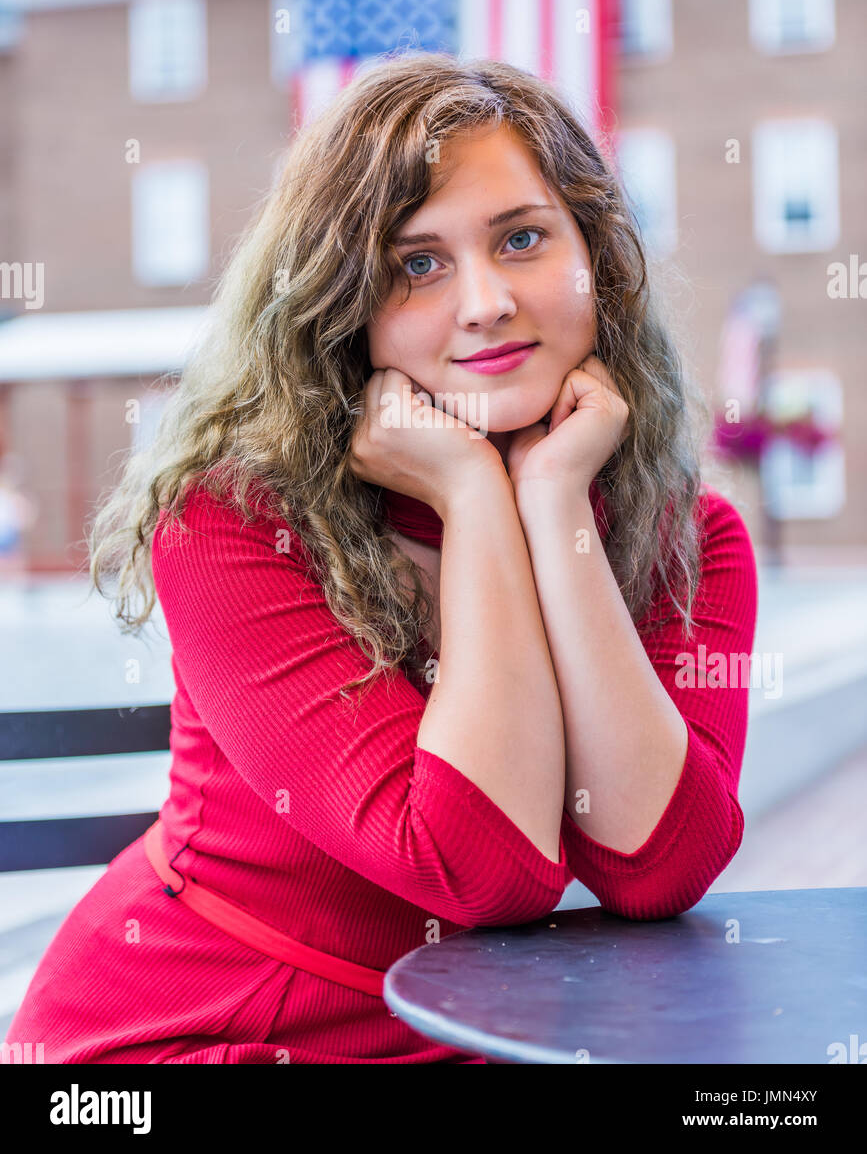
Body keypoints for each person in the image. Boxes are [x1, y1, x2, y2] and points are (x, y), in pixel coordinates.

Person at [6, 52, 757, 1064]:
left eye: (522, 238)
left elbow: (657, 867)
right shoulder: (231, 521)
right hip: (210, 1030)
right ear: (342, 304)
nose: (485, 301)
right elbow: (475, 870)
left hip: (490, 1039)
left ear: (599, 259)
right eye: (417, 264)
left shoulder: (689, 537)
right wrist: (473, 494)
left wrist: (552, 502)